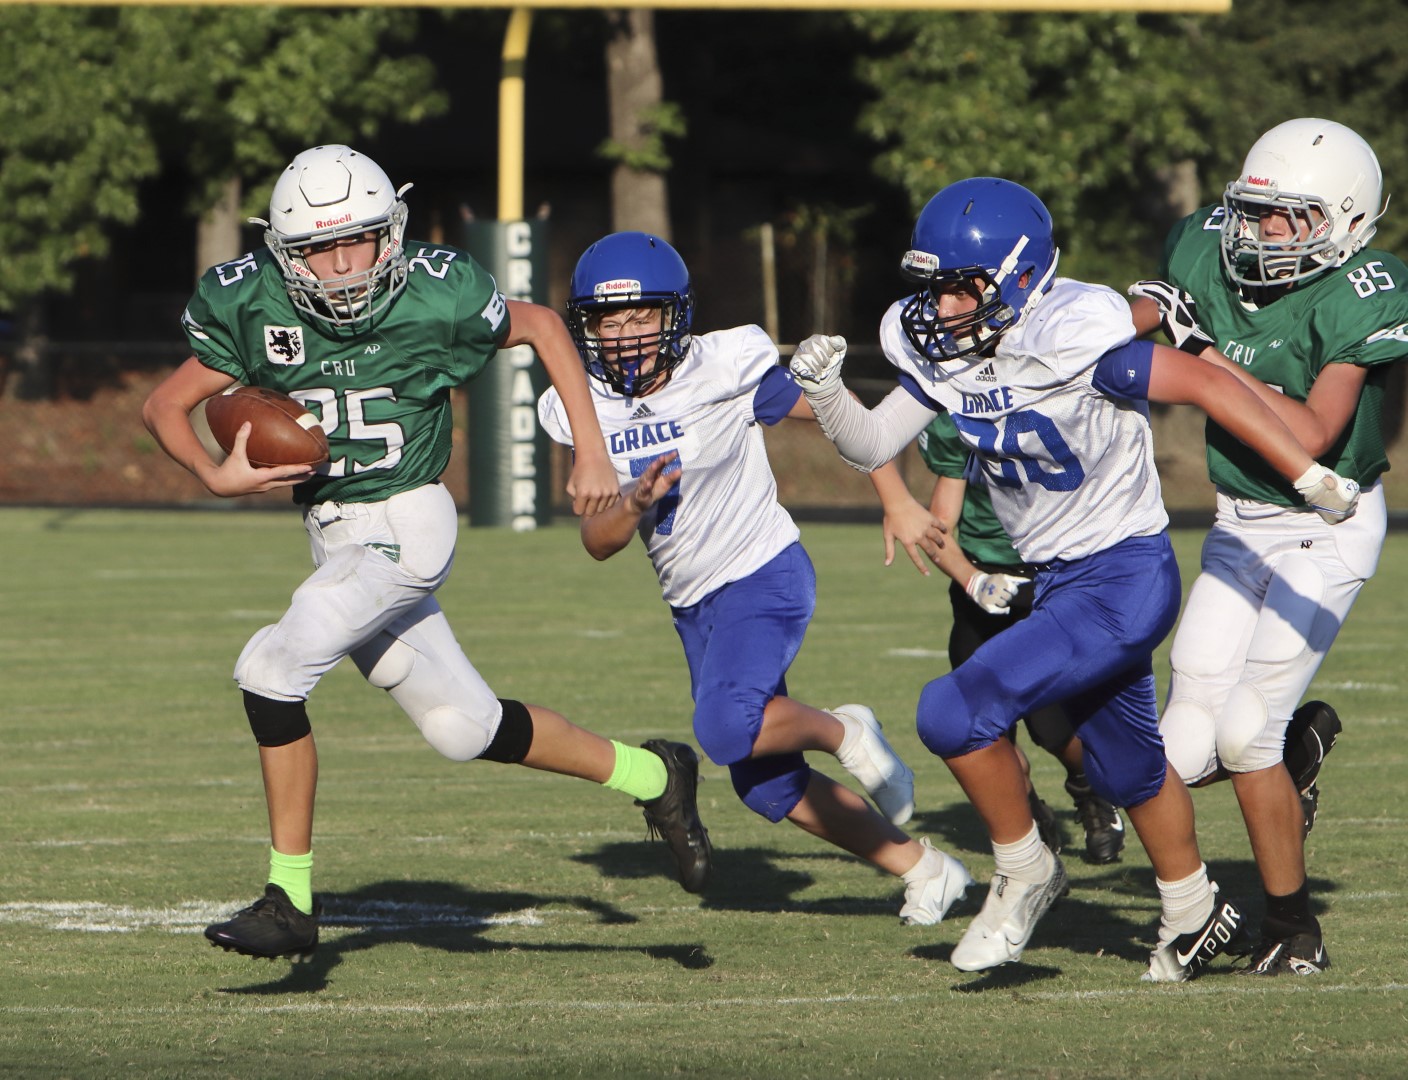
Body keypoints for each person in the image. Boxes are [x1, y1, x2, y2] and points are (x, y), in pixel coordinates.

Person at [141, 146, 712, 962]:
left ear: (392, 232)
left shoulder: (436, 290)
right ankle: (656, 776)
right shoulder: (251, 301)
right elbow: (164, 404)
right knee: (463, 728)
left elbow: (543, 326)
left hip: (408, 524)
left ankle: (289, 899)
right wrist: (212, 473)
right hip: (334, 535)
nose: (344, 266)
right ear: (285, 253)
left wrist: (589, 449)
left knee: (271, 668)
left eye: (359, 240)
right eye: (320, 249)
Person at [787, 176, 1360, 980]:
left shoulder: (1075, 341)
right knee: (1126, 766)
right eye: (933, 287)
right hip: (1056, 579)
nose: (940, 308)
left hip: (1124, 577)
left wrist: (1303, 472)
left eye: (959, 288)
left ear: (1021, 279)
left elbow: (1203, 382)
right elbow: (873, 441)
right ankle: (1195, 911)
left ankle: (1026, 870)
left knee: (951, 710)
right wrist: (825, 393)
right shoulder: (953, 354)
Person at [536, 231, 973, 927]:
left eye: (641, 316)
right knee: (766, 784)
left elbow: (840, 417)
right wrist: (634, 503)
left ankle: (844, 731)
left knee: (724, 728)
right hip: (692, 602)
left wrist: (894, 497)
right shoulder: (582, 405)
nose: (625, 336)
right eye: (608, 322)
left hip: (763, 571)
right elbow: (597, 541)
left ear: (675, 315)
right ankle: (926, 868)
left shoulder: (723, 367)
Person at [1128, 117, 1406, 976]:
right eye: (1256, 212)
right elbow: (1138, 320)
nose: (1264, 232)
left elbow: (1313, 433)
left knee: (1246, 730)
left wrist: (1202, 353)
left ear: (1348, 221)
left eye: (1291, 217)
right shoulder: (1202, 245)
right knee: (1172, 754)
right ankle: (1293, 757)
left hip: (1327, 523)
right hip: (1238, 522)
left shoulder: (1365, 288)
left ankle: (1293, 927)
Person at [870, 412, 1126, 865]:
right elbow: (941, 523)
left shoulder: (1050, 401)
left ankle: (1090, 790)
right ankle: (1026, 814)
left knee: (1051, 724)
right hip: (984, 582)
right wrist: (973, 580)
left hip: (1049, 576)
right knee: (982, 729)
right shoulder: (956, 416)